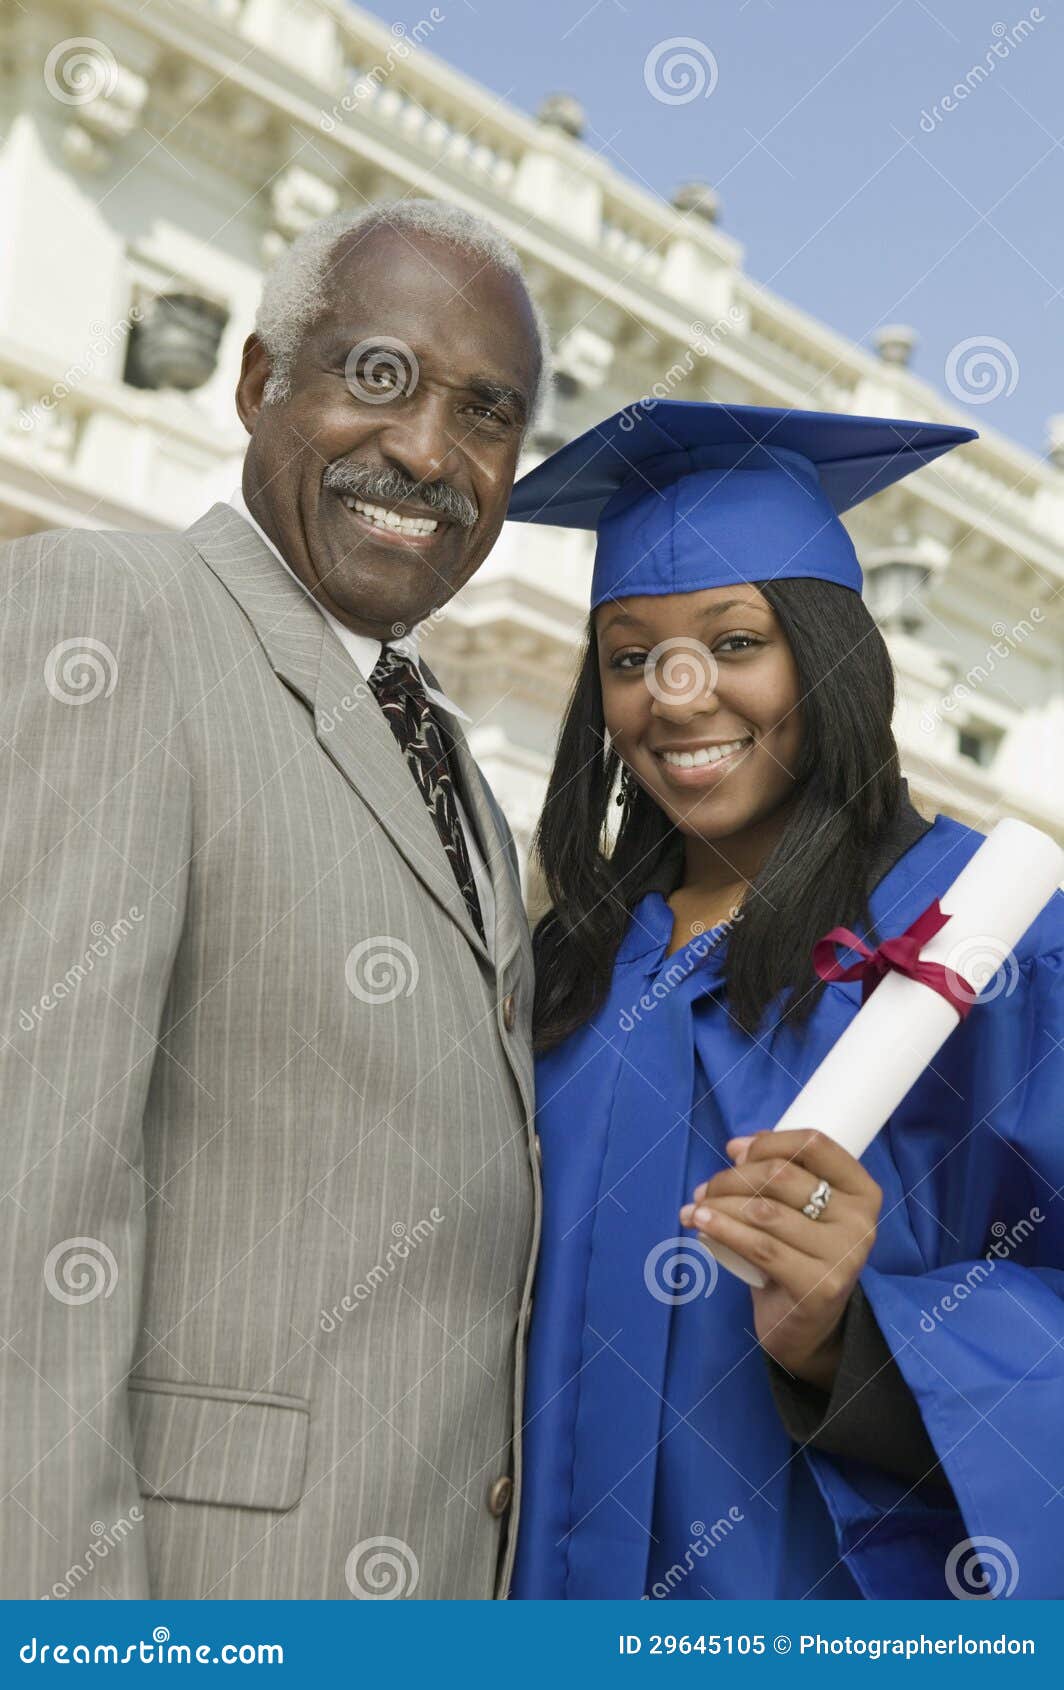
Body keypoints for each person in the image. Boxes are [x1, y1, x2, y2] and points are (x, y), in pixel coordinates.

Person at [0, 200, 548, 1600]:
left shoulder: (465, 786)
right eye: (377, 378)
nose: (426, 451)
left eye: (484, 415)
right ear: (257, 385)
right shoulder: (112, 614)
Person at [506, 399, 1064, 1600]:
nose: (677, 693)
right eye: (627, 656)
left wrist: (853, 1339)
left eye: (735, 640)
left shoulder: (984, 940)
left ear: (830, 653)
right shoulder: (563, 966)